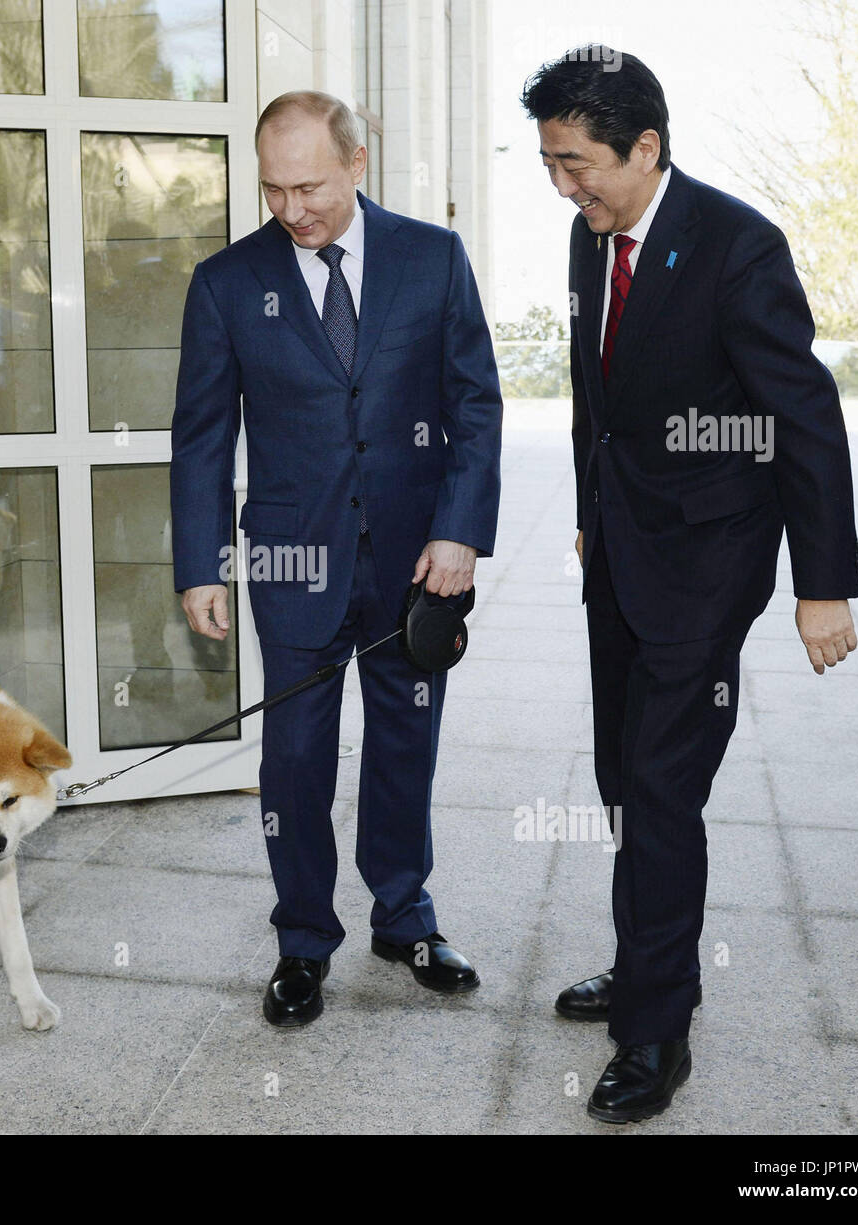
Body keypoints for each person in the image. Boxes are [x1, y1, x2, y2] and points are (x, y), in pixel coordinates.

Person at [522, 47, 858, 1122]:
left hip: (706, 562)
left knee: (663, 790)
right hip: (621, 549)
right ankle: (643, 962)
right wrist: (586, 514)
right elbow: (596, 395)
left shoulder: (735, 246)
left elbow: (802, 414)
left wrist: (823, 584)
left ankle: (654, 1030)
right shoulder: (592, 243)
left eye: (578, 163)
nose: (564, 185)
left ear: (646, 148)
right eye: (549, 163)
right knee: (624, 777)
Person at [170, 90, 502, 1027]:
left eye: (309, 185)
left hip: (414, 563)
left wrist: (460, 527)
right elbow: (200, 437)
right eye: (273, 189)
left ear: (358, 164)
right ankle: (303, 940)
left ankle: (405, 917)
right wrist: (201, 562)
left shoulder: (432, 259)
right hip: (291, 564)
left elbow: (475, 404)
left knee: (407, 742)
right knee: (297, 760)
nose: (292, 209)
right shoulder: (228, 283)